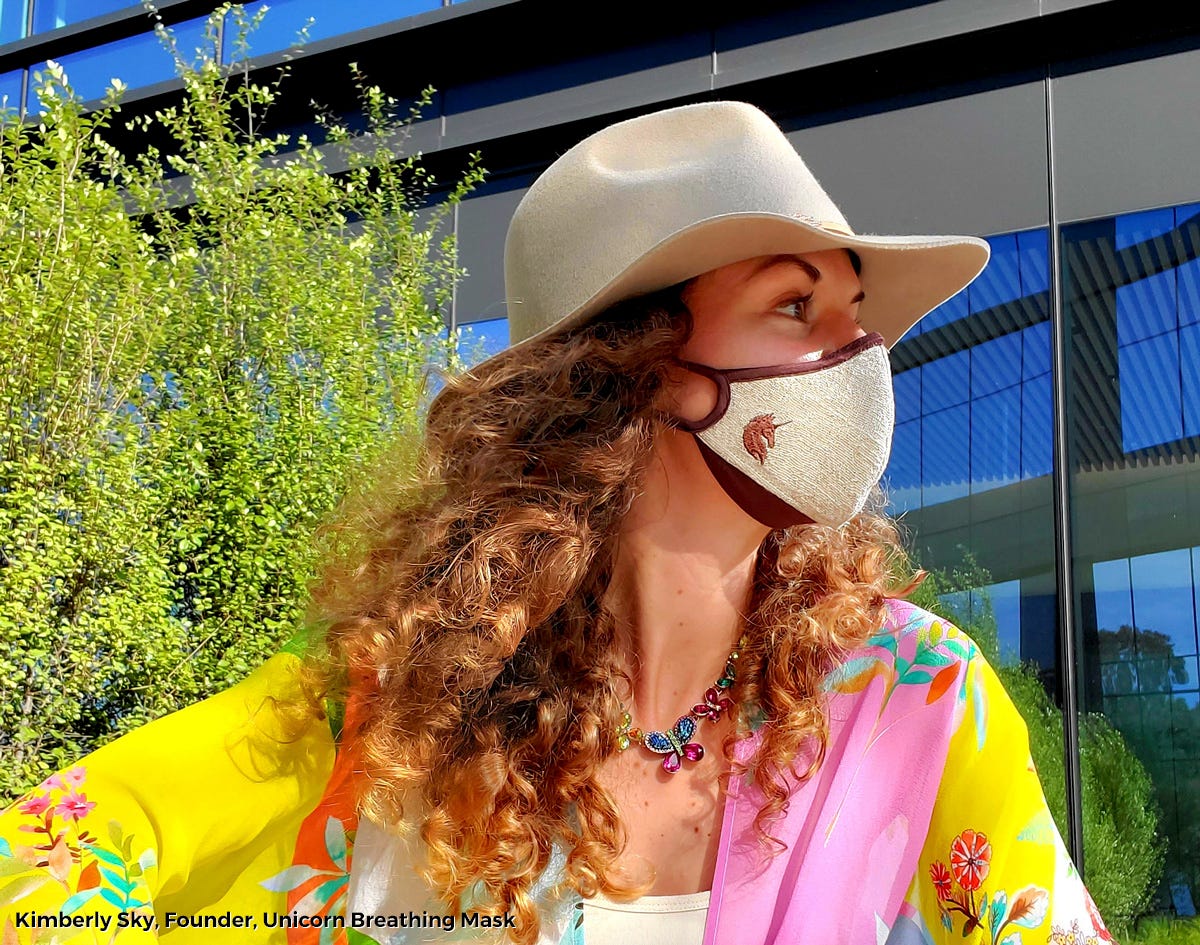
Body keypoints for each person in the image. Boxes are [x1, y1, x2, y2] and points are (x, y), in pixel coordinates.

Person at [0, 102, 1114, 945]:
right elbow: (47, 863)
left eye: (855, 314)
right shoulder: (395, 699)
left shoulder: (912, 693)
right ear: (645, 365)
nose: (858, 355)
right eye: (796, 306)